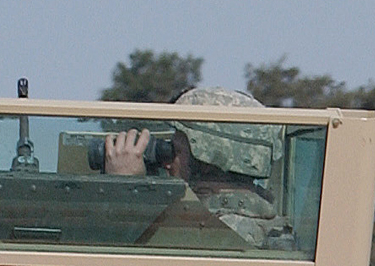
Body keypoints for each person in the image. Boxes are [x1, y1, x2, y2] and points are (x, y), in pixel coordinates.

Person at [101, 86, 287, 246]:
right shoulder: (270, 227)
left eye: (175, 151)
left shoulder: (214, 232)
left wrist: (125, 191)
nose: (166, 163)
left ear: (207, 160)